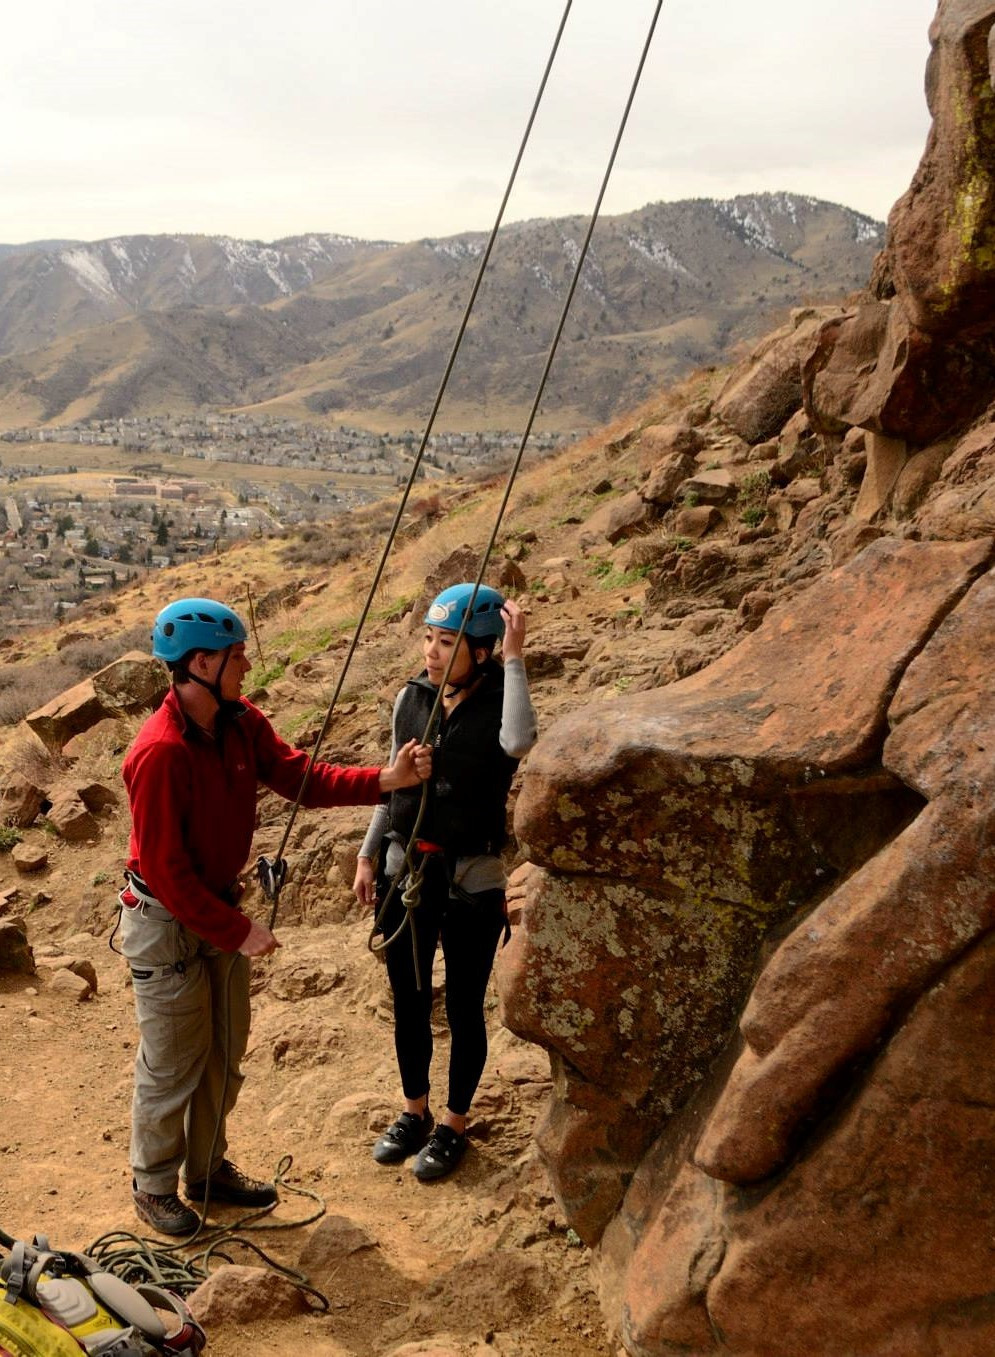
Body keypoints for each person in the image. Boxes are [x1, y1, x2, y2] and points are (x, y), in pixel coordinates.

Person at [121, 596, 430, 1236]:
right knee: (174, 1060)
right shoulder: (160, 753)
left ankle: (205, 1170)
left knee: (224, 1053)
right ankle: (152, 1186)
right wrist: (240, 931)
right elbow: (167, 872)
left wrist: (386, 780)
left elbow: (301, 779)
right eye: (236, 657)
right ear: (200, 663)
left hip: (215, 909)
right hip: (167, 922)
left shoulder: (240, 724)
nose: (246, 666)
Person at [354, 583, 537, 1181]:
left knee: (462, 1006)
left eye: (447, 642)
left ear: (479, 652)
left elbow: (519, 742)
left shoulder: (497, 703)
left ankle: (454, 1123)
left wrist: (515, 657)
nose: (431, 652)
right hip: (405, 870)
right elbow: (391, 786)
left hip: (470, 877)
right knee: (408, 999)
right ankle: (414, 1111)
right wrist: (366, 854)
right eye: (429, 638)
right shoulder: (411, 699)